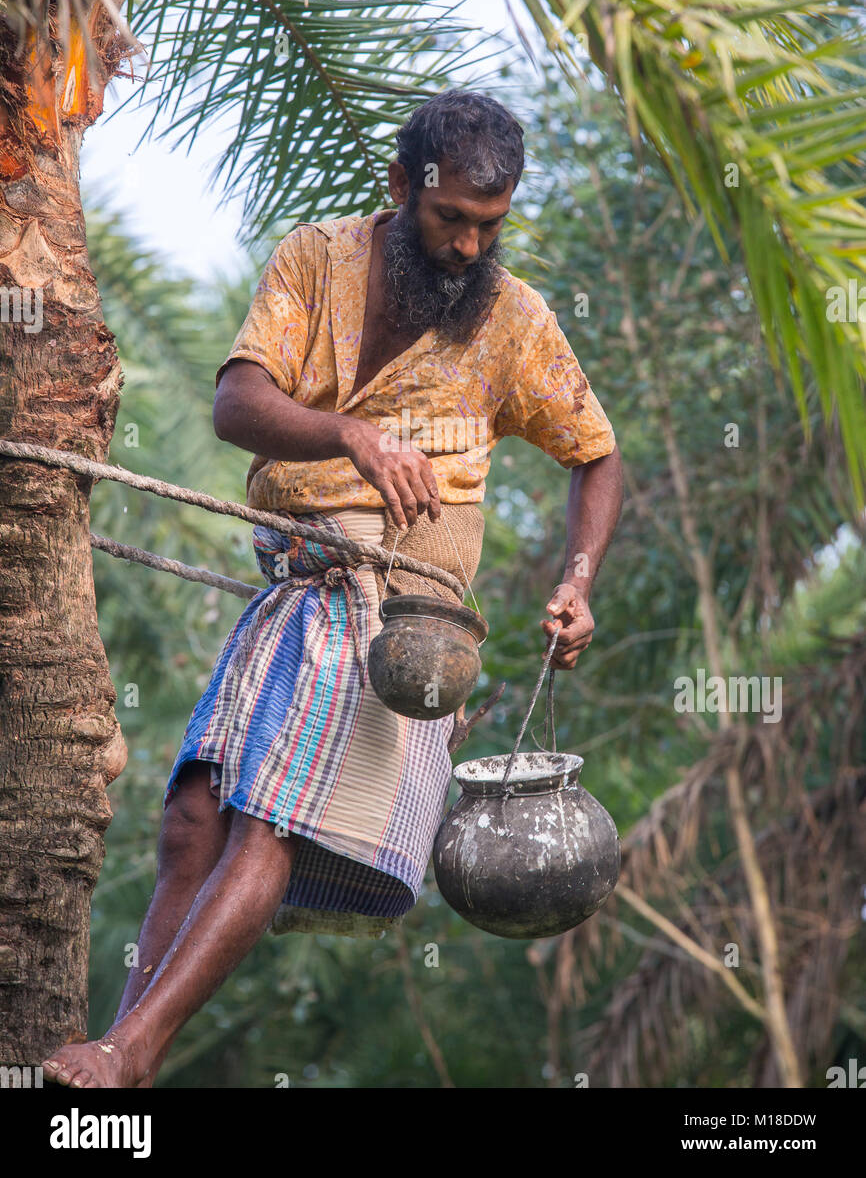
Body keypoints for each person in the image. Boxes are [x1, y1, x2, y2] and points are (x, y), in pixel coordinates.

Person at [42, 89, 622, 1088]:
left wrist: (578, 581)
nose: (469, 249)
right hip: (294, 593)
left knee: (271, 815)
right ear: (401, 186)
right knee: (191, 816)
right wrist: (350, 433)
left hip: (402, 627)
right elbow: (235, 403)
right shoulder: (315, 260)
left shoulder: (516, 323)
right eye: (450, 221)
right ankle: (121, 1057)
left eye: (490, 227)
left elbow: (597, 457)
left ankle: (127, 1052)